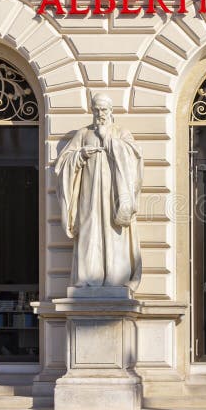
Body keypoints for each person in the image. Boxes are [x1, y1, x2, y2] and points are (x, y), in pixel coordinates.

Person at [55, 93, 143, 291]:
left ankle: (116, 279)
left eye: (103, 110)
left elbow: (135, 157)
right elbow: (63, 164)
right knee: (88, 231)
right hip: (89, 195)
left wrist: (109, 140)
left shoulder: (121, 133)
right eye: (96, 110)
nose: (100, 114)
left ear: (111, 111)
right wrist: (80, 155)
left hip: (114, 197)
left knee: (115, 234)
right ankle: (87, 279)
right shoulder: (83, 134)